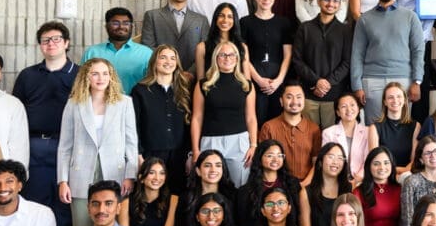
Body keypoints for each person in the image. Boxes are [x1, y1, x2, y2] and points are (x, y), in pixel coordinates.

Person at [13, 21, 79, 226]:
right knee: (35, 207)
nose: (51, 44)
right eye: (45, 40)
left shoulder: (80, 74)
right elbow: (16, 112)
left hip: (69, 147)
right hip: (33, 147)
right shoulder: (28, 75)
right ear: (40, 45)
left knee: (65, 208)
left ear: (67, 43)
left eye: (56, 39)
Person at [57, 59, 138, 226]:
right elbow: (65, 145)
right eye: (95, 73)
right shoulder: (74, 104)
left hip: (115, 171)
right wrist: (63, 181)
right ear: (86, 77)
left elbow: (131, 142)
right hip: (81, 171)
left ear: (111, 77)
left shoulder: (124, 103)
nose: (100, 78)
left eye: (105, 73)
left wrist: (130, 175)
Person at [350, 0, 424, 124]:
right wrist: (357, 85)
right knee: (375, 129)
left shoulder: (410, 16)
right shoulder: (364, 19)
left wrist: (417, 82)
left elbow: (418, 51)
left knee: (402, 128)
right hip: (372, 80)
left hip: (404, 79)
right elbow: (357, 54)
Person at [191, 42, 257, 186]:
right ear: (216, 58)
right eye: (222, 55)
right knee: (209, 186)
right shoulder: (203, 84)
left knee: (239, 186)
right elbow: (196, 118)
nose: (227, 58)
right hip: (210, 140)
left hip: (239, 142)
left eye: (231, 54)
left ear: (237, 58)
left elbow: (251, 118)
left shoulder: (247, 85)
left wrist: (253, 145)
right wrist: (196, 149)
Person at [290, 0, 353, 129]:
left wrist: (327, 83)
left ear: (340, 3)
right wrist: (316, 81)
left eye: (335, 0)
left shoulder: (345, 30)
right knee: (308, 139)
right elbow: (297, 61)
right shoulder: (305, 28)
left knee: (331, 142)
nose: (331, 4)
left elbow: (347, 62)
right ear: (318, 1)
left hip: (335, 96)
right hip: (308, 93)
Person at [131, 45, 193, 191]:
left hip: (179, 155)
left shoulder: (184, 90)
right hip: (150, 154)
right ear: (154, 62)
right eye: (163, 57)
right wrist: (138, 155)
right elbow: (134, 126)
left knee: (176, 196)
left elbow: (190, 125)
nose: (168, 62)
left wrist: (190, 154)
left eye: (172, 58)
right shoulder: (140, 91)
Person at [241, 0, 295, 124]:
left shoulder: (284, 23)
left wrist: (279, 80)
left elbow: (288, 54)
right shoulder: (245, 22)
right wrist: (258, 79)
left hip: (277, 80)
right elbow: (243, 56)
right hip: (254, 78)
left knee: (277, 120)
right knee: (256, 119)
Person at [237, 140, 313, 226]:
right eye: (270, 155)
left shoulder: (292, 184)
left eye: (279, 155)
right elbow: (243, 224)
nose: (275, 159)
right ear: (259, 158)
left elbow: (299, 215)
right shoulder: (246, 191)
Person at [142, 0, 210, 72]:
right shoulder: (152, 16)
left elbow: (205, 50)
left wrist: (191, 73)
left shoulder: (201, 20)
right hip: (161, 74)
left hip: (191, 77)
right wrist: (166, 69)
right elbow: (148, 48)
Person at [257, 80, 321, 181]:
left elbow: (316, 164)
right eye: (289, 97)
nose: (295, 102)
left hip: (306, 185)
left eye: (299, 97)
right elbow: (263, 163)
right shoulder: (269, 127)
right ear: (281, 101)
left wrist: (303, 186)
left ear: (304, 100)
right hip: (277, 185)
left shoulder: (314, 129)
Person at [79, 10, 150, 98]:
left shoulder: (146, 53)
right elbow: (82, 83)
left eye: (126, 23)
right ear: (106, 26)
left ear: (132, 26)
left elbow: (151, 85)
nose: (121, 27)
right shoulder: (92, 52)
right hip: (98, 106)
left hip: (136, 106)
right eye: (115, 23)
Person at [367, 80, 418, 176]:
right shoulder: (374, 128)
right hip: (383, 175)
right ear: (385, 102)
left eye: (399, 96)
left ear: (404, 100)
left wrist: (401, 172)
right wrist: (394, 172)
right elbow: (375, 161)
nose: (395, 100)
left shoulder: (415, 126)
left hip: (407, 175)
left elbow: (414, 161)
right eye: (390, 97)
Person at [359, 146, 402, 226]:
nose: (382, 167)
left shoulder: (400, 190)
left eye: (386, 163)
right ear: (369, 166)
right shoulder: (358, 192)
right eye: (376, 163)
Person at [400, 135, 436, 226]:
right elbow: (407, 221)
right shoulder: (411, 182)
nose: (433, 155)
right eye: (428, 153)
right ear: (421, 159)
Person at [323, 92, 370, 187]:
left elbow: (369, 159)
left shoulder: (368, 132)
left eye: (352, 105)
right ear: (338, 112)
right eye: (344, 106)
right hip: (336, 181)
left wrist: (357, 179)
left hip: (361, 181)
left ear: (358, 108)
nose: (349, 109)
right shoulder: (328, 133)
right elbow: (327, 161)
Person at [194, 2, 249, 80]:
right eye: (221, 16)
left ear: (235, 20)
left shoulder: (242, 47)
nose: (225, 20)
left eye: (230, 17)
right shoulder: (202, 47)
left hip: (237, 90)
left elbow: (247, 80)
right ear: (215, 19)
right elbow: (200, 80)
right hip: (210, 90)